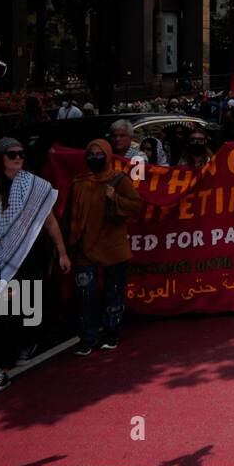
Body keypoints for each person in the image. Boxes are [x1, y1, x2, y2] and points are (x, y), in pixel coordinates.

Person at [0, 137, 70, 392]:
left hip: (27, 259)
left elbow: (49, 221)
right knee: (1, 315)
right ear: (0, 159)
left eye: (21, 154)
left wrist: (62, 252)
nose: (18, 158)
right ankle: (4, 362)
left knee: (15, 313)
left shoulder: (33, 186)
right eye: (12, 154)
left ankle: (5, 365)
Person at [66, 139, 143, 355]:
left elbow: (137, 205)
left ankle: (111, 333)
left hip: (113, 247)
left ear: (108, 156)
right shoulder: (79, 182)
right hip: (85, 248)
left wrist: (115, 199)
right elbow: (69, 216)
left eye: (100, 154)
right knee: (85, 295)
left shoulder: (119, 180)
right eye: (91, 154)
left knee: (114, 292)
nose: (95, 158)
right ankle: (87, 337)